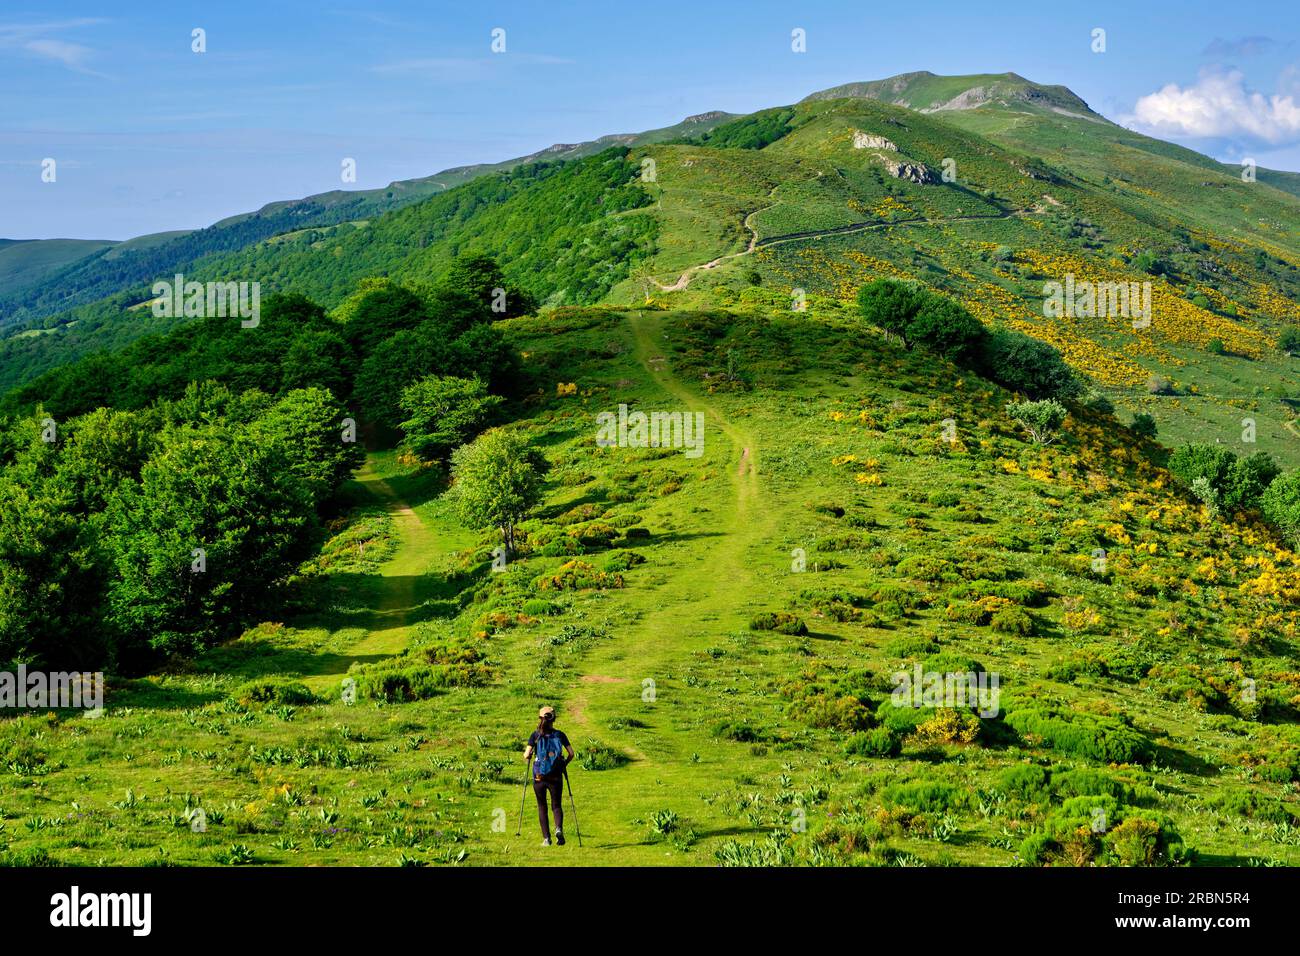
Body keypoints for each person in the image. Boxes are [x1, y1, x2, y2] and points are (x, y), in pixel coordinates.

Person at [523, 705, 575, 846]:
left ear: (540, 718)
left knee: (542, 806)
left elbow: (526, 755)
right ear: (554, 718)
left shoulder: (535, 735)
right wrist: (564, 764)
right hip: (556, 776)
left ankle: (546, 839)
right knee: (556, 805)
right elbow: (571, 754)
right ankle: (558, 829)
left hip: (539, 776)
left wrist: (531, 755)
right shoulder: (560, 735)